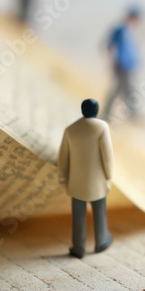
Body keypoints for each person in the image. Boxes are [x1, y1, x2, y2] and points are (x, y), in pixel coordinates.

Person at [58, 99, 114, 257]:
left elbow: (63, 157)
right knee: (99, 213)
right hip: (97, 182)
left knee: (78, 216)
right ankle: (101, 240)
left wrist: (62, 177)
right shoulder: (102, 127)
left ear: (82, 110)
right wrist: (109, 176)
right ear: (96, 111)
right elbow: (107, 155)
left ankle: (78, 246)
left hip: (76, 182)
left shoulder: (70, 129)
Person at [102, 6, 143, 122]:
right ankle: (108, 115)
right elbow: (111, 47)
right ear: (131, 17)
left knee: (126, 90)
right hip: (122, 67)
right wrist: (113, 63)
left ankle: (131, 114)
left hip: (128, 67)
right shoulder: (120, 29)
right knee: (120, 91)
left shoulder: (128, 30)